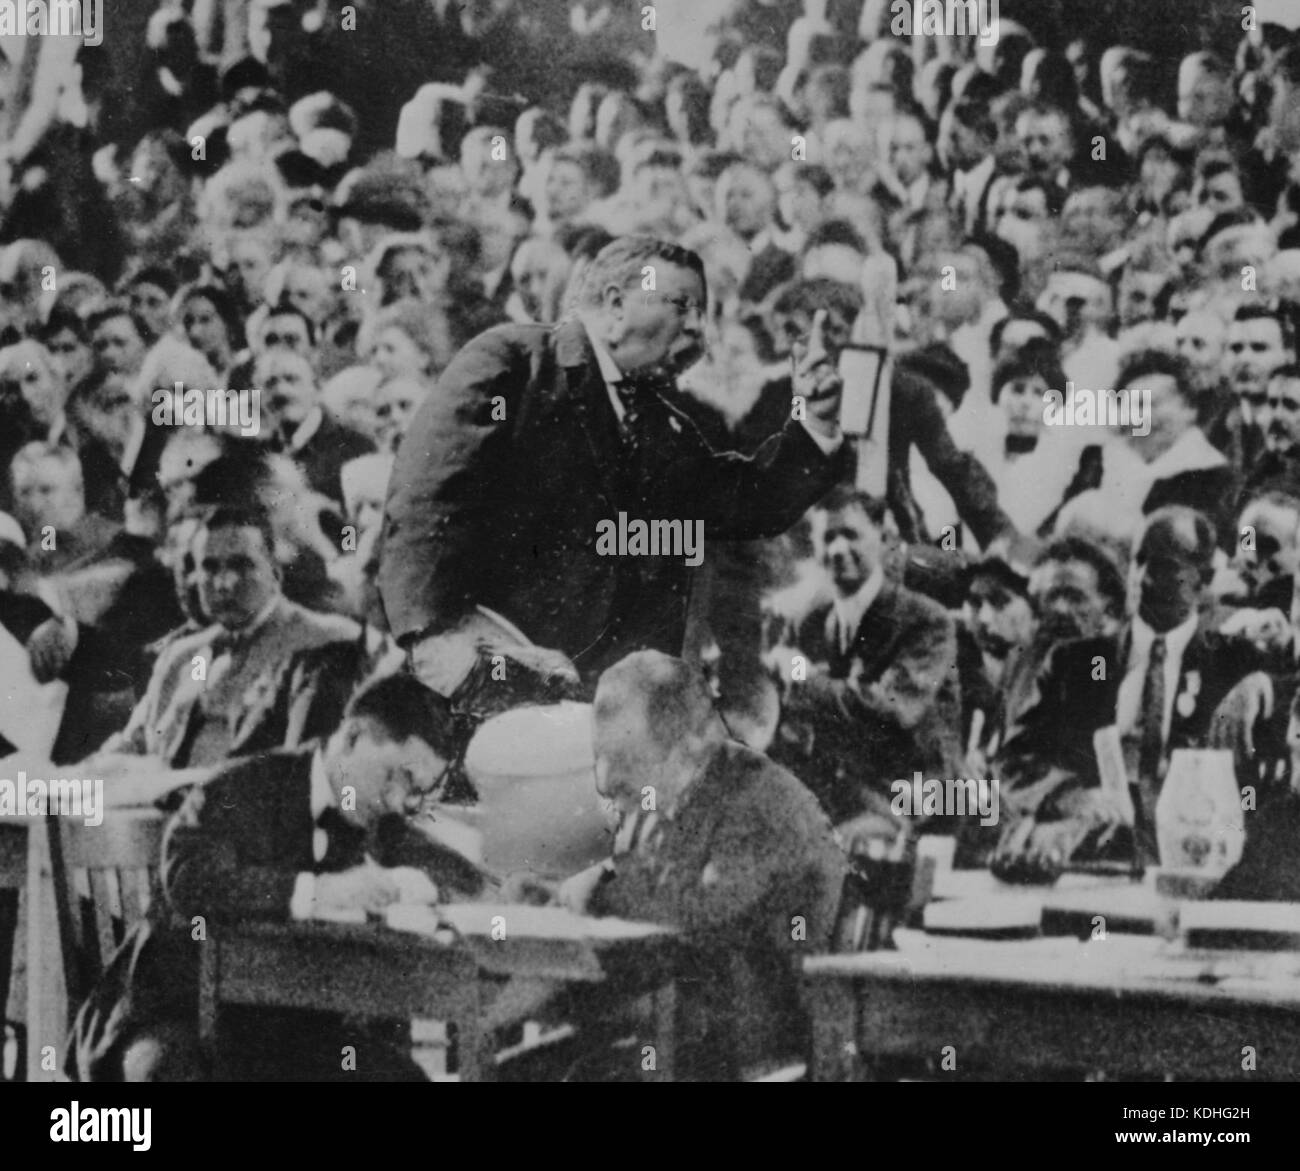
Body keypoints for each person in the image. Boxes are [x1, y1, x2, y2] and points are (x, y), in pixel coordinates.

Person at [380, 236, 850, 696]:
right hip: (487, 673)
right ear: (616, 304)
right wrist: (437, 635)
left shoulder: (664, 427)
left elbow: (749, 502)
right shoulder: (515, 363)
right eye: (683, 307)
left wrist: (814, 423)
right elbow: (430, 494)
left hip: (598, 701)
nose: (697, 332)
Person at [71, 671, 490, 1082]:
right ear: (353, 737)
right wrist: (318, 891)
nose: (400, 800)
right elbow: (189, 879)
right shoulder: (243, 786)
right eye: (395, 775)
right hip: (174, 1016)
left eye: (415, 788)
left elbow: (459, 874)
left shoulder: (380, 818)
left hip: (280, 1034)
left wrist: (418, 885)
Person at [557, 650, 846, 1080]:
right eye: (600, 755)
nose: (604, 779)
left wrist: (589, 892)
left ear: (688, 744)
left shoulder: (761, 801)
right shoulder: (672, 789)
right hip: (675, 1026)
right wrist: (559, 896)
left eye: (625, 757)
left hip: (752, 1048)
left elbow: (690, 912)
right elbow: (639, 882)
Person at [995, 507, 1263, 872]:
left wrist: (1259, 687)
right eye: (1139, 561)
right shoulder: (1074, 662)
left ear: (1204, 578)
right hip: (1091, 863)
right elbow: (1015, 761)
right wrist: (1068, 795)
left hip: (1196, 862)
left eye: (1165, 566)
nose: (1143, 579)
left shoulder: (1233, 664)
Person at [95, 507, 360, 769]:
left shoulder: (327, 639)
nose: (225, 583)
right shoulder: (183, 654)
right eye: (210, 569)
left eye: (242, 565)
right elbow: (136, 741)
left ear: (275, 572)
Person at [769, 487, 963, 836]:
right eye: (828, 537)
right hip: (839, 793)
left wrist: (800, 676)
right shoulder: (809, 624)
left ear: (883, 537)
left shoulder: (927, 622)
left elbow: (891, 709)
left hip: (912, 801)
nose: (839, 549)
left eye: (851, 535)